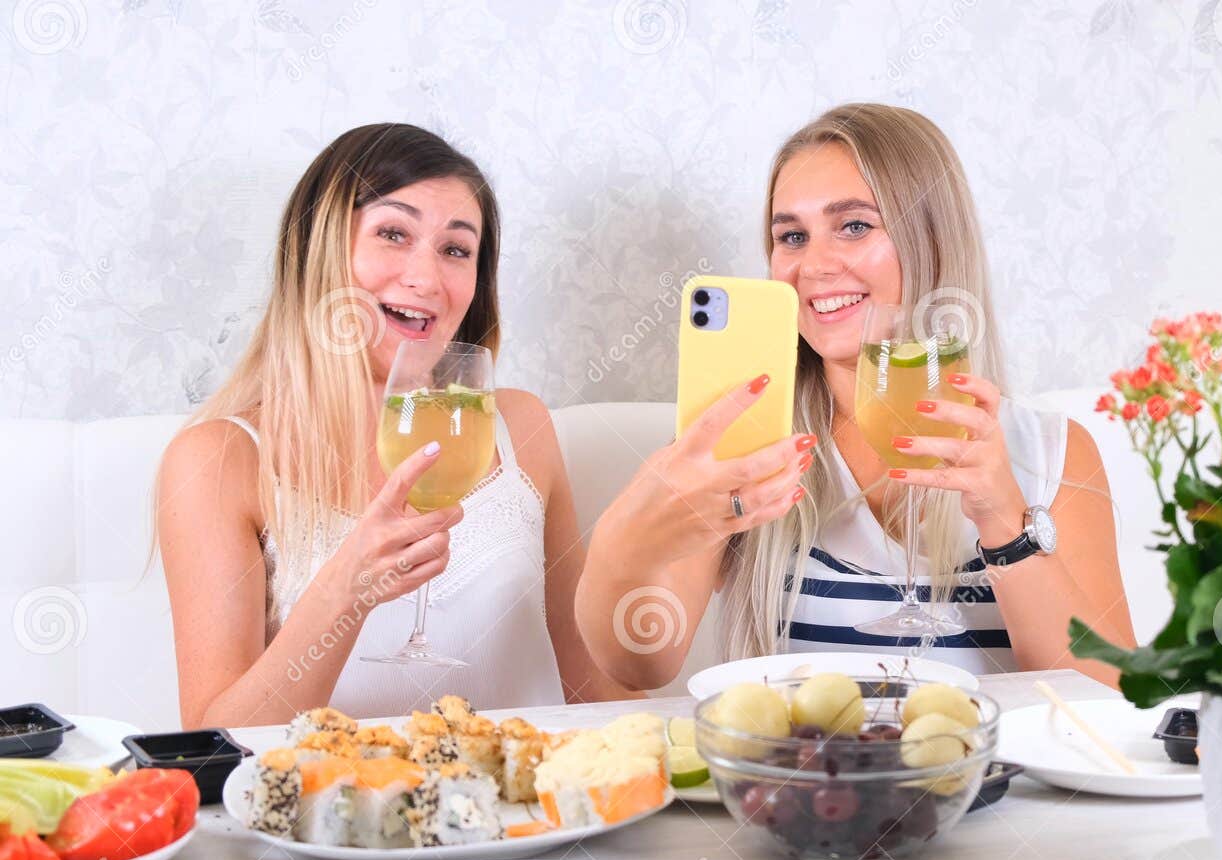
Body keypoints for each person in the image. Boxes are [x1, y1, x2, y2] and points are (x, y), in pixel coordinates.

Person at [576, 104, 1135, 690]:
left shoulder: (1051, 452)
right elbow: (639, 662)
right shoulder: (747, 443)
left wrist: (1003, 520)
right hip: (804, 754)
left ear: (933, 240)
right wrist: (620, 545)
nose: (814, 266)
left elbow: (1112, 697)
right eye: (793, 237)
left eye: (854, 226)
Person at [159, 123, 630, 728]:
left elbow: (592, 689)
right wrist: (345, 592)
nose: (426, 279)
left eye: (456, 250)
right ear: (319, 250)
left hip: (525, 792)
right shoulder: (218, 459)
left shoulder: (520, 426)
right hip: (340, 792)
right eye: (393, 234)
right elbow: (216, 748)